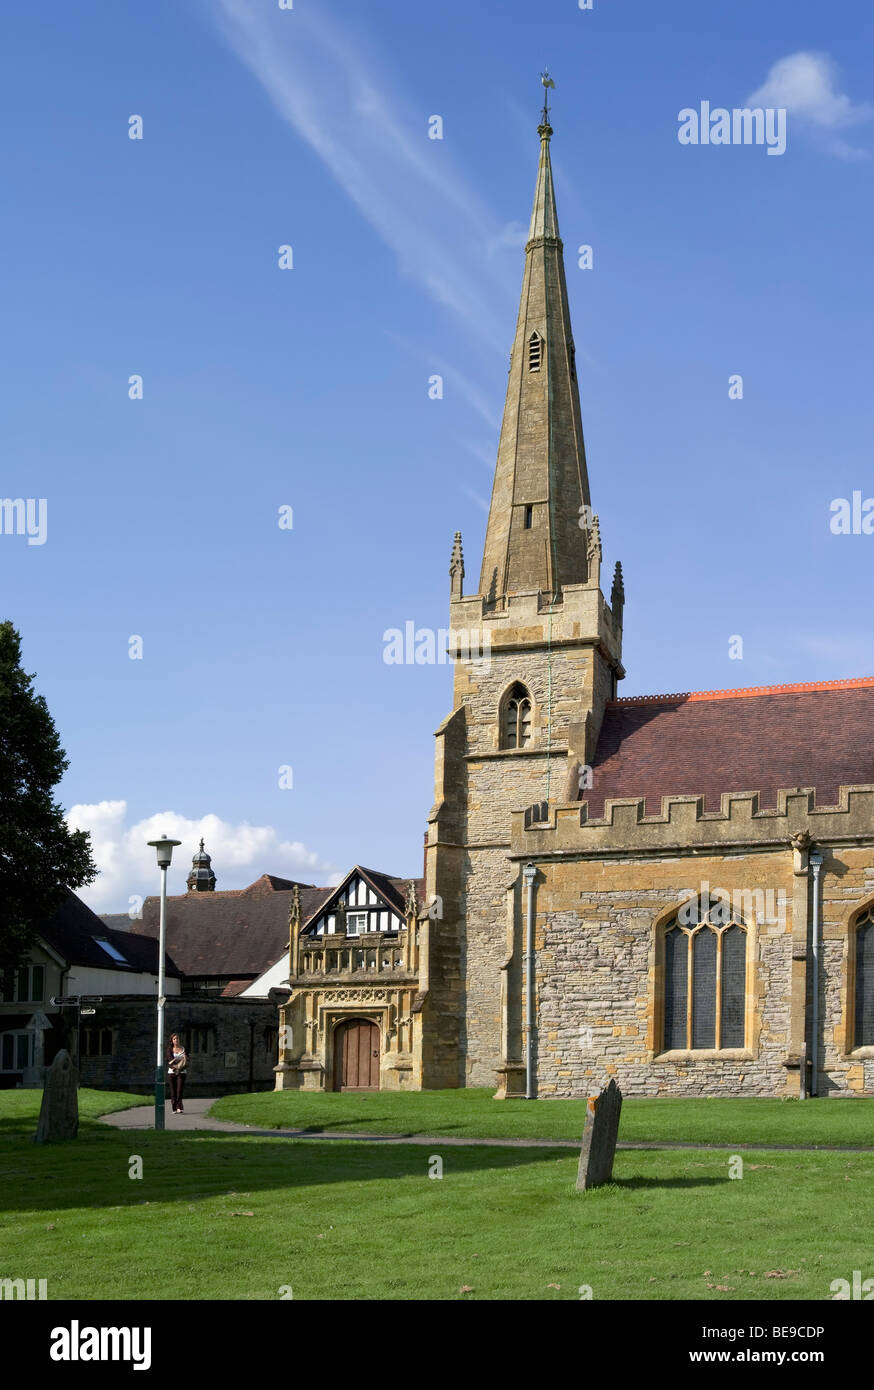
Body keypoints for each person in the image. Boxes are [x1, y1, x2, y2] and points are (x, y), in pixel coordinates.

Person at [166, 1033, 188, 1114]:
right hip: (172, 1072)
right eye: (174, 1039)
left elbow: (187, 1059)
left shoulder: (183, 1048)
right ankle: (174, 1108)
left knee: (179, 1090)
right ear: (172, 1040)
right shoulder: (169, 1049)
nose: (176, 1040)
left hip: (182, 1071)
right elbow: (170, 1060)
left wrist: (184, 1059)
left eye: (177, 1038)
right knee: (173, 1091)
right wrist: (180, 1060)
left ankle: (179, 1107)